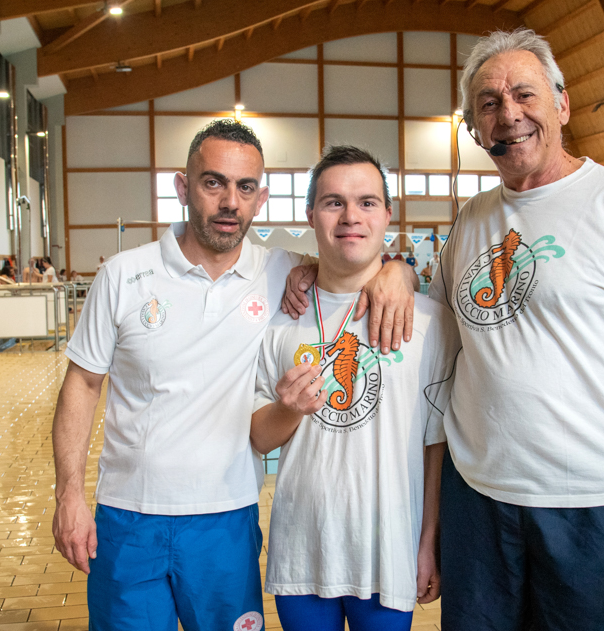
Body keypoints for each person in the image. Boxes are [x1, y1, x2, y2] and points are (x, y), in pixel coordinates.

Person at [52, 120, 415, 631]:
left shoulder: (279, 269)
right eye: (213, 183)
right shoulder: (123, 276)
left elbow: (351, 259)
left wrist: (400, 272)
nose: (230, 202)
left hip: (227, 517)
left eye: (245, 188)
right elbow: (83, 384)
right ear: (183, 188)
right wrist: (68, 494)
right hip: (129, 515)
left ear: (261, 199)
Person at [431, 28, 604, 630]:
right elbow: (435, 334)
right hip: (477, 500)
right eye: (489, 103)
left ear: (562, 104)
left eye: (524, 94)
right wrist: (391, 276)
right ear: (474, 129)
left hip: (594, 510)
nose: (509, 115)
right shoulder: (472, 218)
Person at [251, 146, 460, 630]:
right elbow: (260, 437)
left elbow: (435, 445)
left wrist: (429, 541)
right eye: (333, 203)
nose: (350, 216)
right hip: (302, 552)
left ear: (387, 214)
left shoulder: (431, 323)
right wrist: (289, 408)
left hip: (389, 552)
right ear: (310, 215)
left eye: (367, 202)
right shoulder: (281, 319)